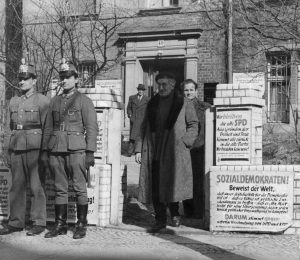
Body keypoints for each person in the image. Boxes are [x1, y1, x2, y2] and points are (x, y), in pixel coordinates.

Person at [135, 72, 199, 233]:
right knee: (156, 185)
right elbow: (143, 128)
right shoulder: (152, 104)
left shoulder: (183, 103)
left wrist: (185, 141)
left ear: (172, 85)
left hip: (173, 151)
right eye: (159, 84)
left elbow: (193, 124)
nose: (161, 87)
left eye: (165, 84)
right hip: (153, 149)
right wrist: (138, 149)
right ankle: (160, 219)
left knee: (172, 183)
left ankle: (175, 213)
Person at [43, 58, 98, 239]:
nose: (64, 80)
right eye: (62, 77)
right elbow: (48, 128)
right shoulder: (55, 101)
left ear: (76, 79)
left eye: (68, 77)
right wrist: (45, 151)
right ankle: (60, 224)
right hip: (56, 149)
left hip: (76, 150)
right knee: (60, 188)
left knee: (79, 188)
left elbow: (91, 128)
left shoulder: (84, 101)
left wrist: (90, 152)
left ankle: (81, 224)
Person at [0, 58, 50, 236]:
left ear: (34, 80)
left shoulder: (43, 101)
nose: (21, 81)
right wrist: (6, 148)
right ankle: (16, 222)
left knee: (37, 186)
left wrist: (45, 152)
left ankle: (38, 221)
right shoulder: (13, 101)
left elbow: (48, 128)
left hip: (35, 148)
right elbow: (8, 128)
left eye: (26, 78)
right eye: (20, 78)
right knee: (16, 187)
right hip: (16, 147)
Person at [181, 79, 211, 218]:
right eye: (186, 90)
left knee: (198, 180)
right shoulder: (178, 107)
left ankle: (199, 212)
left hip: (199, 149)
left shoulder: (205, 108)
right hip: (184, 149)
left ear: (196, 91)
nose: (189, 92)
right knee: (186, 180)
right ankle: (188, 211)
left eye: (191, 90)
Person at [126, 84, 150, 156]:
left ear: (143, 91)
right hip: (134, 120)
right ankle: (130, 152)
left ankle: (139, 152)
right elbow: (129, 108)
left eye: (142, 90)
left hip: (143, 120)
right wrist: (130, 114)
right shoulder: (132, 98)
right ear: (137, 90)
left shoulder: (147, 99)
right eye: (139, 90)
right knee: (132, 137)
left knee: (141, 136)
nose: (140, 91)